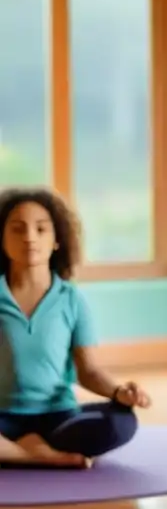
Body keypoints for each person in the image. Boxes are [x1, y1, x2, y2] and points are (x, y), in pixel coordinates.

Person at [0, 187, 150, 470]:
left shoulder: (72, 299)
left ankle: (22, 448)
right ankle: (33, 455)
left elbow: (89, 371)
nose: (30, 237)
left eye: (41, 229)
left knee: (122, 422)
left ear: (57, 240)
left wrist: (119, 392)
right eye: (18, 229)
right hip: (3, 418)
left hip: (58, 418)